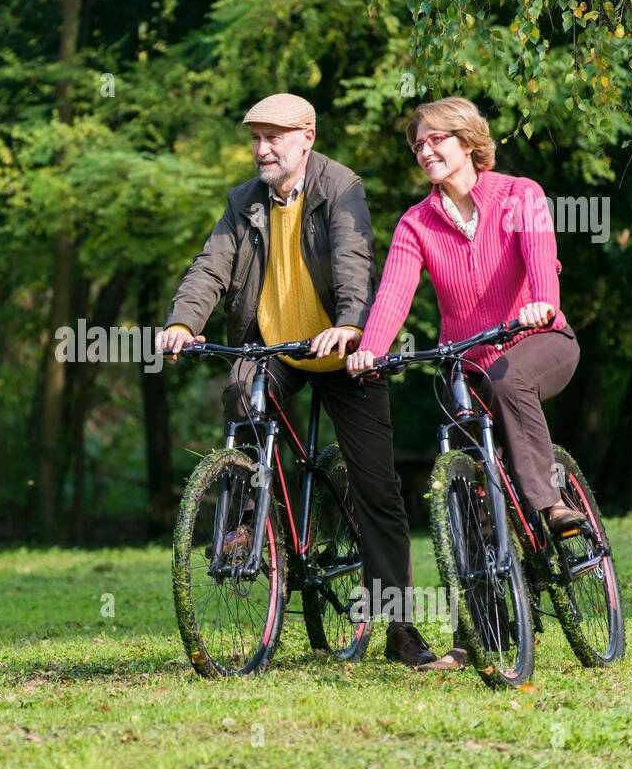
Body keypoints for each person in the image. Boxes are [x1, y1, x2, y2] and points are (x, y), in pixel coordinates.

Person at [155, 92, 435, 666]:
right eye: (255, 138)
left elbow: (355, 259)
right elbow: (211, 266)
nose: (261, 149)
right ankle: (246, 524)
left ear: (307, 136)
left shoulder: (341, 188)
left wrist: (353, 325)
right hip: (277, 346)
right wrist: (183, 320)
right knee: (241, 391)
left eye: (273, 137)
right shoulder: (244, 202)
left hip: (343, 350)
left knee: (376, 488)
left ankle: (401, 627)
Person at [345, 96, 583, 672]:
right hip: (467, 362)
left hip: (540, 340)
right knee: (466, 488)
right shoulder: (416, 222)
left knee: (508, 381)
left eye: (436, 139)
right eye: (418, 144)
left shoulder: (519, 195)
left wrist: (539, 302)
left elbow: (540, 254)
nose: (424, 150)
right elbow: (395, 293)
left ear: (469, 141)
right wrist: (371, 348)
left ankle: (548, 504)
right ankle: (476, 636)